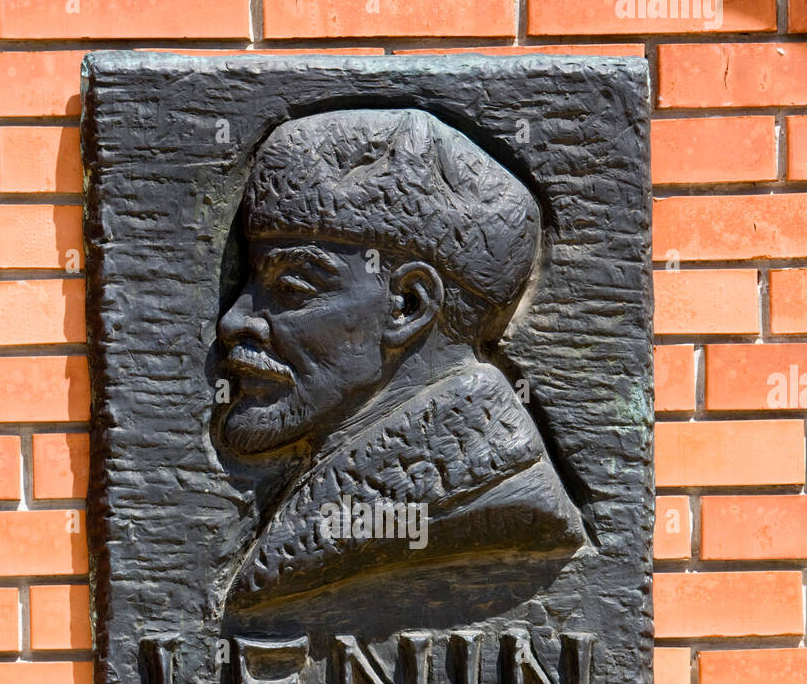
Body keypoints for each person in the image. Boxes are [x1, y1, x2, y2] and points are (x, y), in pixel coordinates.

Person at [214, 107, 586, 607]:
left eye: (289, 287)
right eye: (250, 282)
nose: (235, 322)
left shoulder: (494, 506)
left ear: (407, 306)